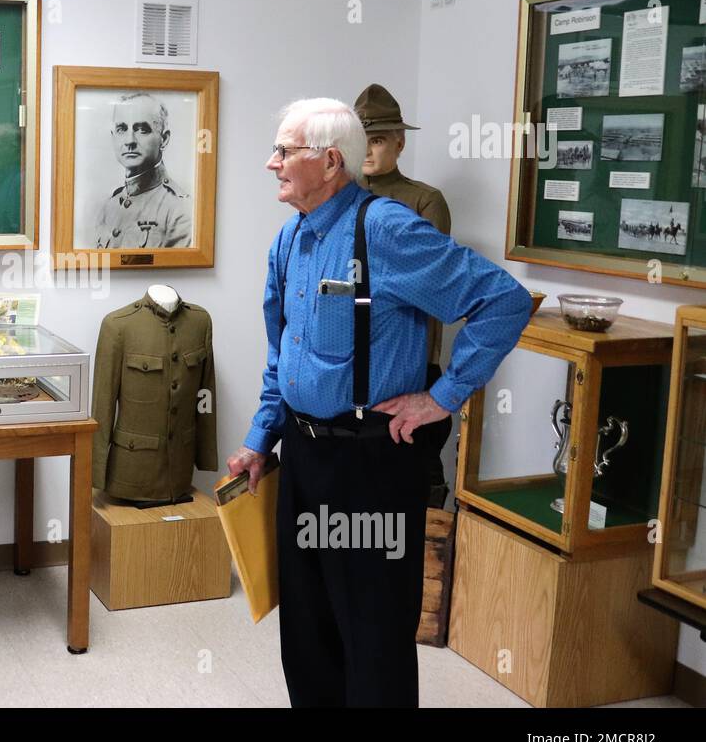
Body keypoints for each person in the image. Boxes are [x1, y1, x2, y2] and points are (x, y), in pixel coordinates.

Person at [225, 98, 532, 707]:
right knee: (307, 632)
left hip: (371, 463)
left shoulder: (387, 230)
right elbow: (280, 354)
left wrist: (443, 397)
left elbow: (504, 301)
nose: (271, 163)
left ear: (330, 161)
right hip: (305, 461)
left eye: (285, 150)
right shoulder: (289, 241)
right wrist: (261, 437)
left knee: (371, 632)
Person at [354, 83, 454, 503]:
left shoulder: (423, 201)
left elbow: (425, 283)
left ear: (399, 142)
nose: (368, 151)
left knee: (414, 474)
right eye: (361, 140)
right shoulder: (340, 197)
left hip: (408, 359)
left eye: (377, 140)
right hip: (349, 357)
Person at [92, 92, 192, 249]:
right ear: (113, 137)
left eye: (141, 129)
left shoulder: (180, 209)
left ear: (164, 139)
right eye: (121, 129)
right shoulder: (108, 207)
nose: (130, 141)